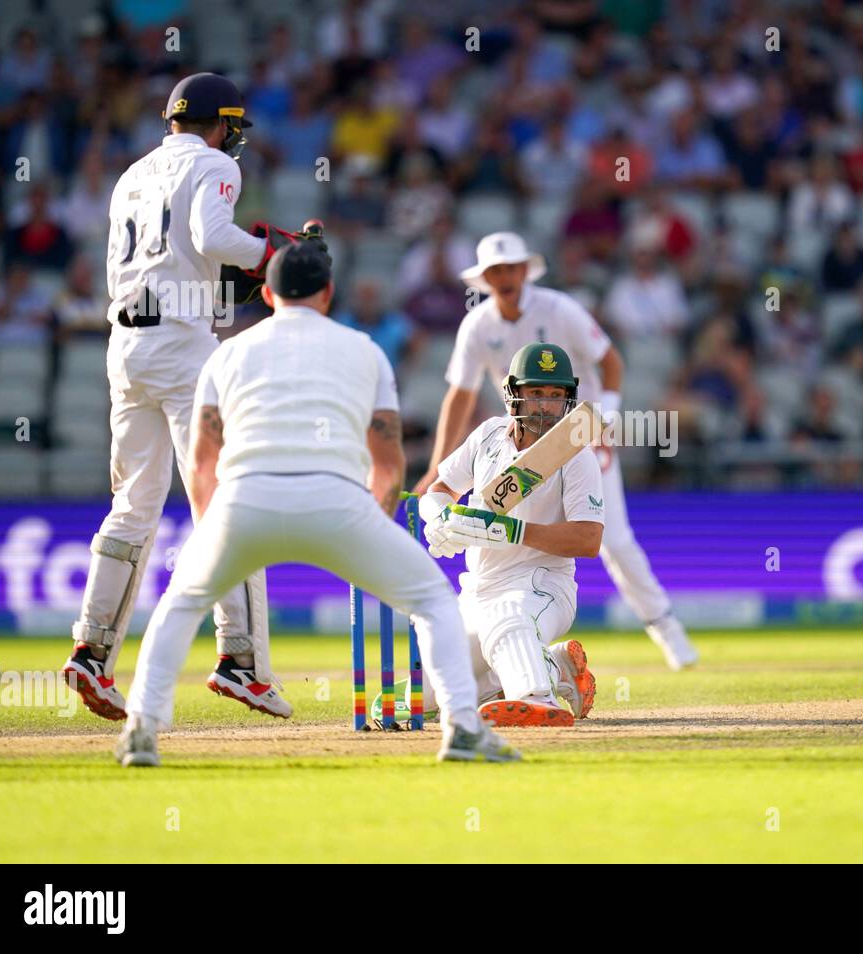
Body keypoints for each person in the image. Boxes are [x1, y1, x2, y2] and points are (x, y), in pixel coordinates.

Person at [116, 243, 517, 766]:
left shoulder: (226, 352)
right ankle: (462, 728)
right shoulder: (366, 350)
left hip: (244, 498)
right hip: (338, 500)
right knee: (433, 601)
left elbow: (200, 462)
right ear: (328, 294)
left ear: (266, 293)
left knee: (181, 602)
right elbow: (389, 459)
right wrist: (372, 522)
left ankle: (142, 731)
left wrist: (213, 528)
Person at [63, 73, 324, 723]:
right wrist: (277, 254)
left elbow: (165, 266)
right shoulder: (211, 163)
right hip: (182, 352)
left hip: (126, 348)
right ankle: (243, 664)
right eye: (232, 125)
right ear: (221, 123)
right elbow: (211, 238)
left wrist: (229, 282)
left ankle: (91, 651)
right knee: (229, 501)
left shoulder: (134, 174)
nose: (234, 137)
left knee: (134, 506)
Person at [412, 231, 699, 670]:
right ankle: (529, 648)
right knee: (497, 523)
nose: (505, 277)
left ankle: (665, 629)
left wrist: (601, 427)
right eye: (496, 271)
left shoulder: (559, 309)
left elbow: (611, 363)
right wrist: (437, 468)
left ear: (526, 270)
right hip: (517, 439)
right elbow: (460, 396)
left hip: (575, 431)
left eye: (511, 268)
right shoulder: (478, 324)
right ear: (485, 278)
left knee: (614, 540)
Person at [421, 343, 602, 727]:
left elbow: (588, 540)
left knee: (509, 619)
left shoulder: (575, 452)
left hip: (540, 585)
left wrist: (512, 530)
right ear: (513, 393)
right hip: (477, 590)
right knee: (427, 692)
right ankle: (557, 667)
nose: (545, 406)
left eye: (556, 396)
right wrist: (441, 517)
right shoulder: (487, 435)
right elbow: (438, 488)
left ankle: (539, 696)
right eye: (536, 393)